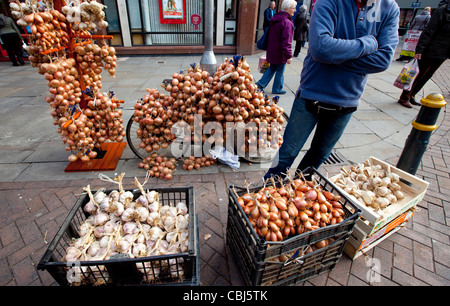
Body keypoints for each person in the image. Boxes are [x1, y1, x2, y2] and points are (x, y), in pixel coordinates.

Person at [263, 0, 400, 180]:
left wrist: (336, 56)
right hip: (311, 95)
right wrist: (367, 44)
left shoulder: (390, 8)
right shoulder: (328, 2)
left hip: (348, 100)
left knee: (319, 155)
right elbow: (321, 49)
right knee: (287, 153)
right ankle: (268, 191)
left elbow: (383, 60)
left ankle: (297, 191)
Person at [397, 3, 450, 108]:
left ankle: (412, 95)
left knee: (427, 76)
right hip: (431, 49)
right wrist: (419, 50)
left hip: (443, 52)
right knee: (416, 74)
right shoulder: (442, 11)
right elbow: (429, 30)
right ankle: (404, 97)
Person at [256, 0, 296, 95]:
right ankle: (277, 88)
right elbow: (286, 42)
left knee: (272, 68)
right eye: (293, 8)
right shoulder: (287, 23)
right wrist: (289, 56)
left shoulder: (276, 18)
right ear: (286, 9)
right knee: (280, 71)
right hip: (280, 53)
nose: (294, 10)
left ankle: (260, 84)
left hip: (272, 50)